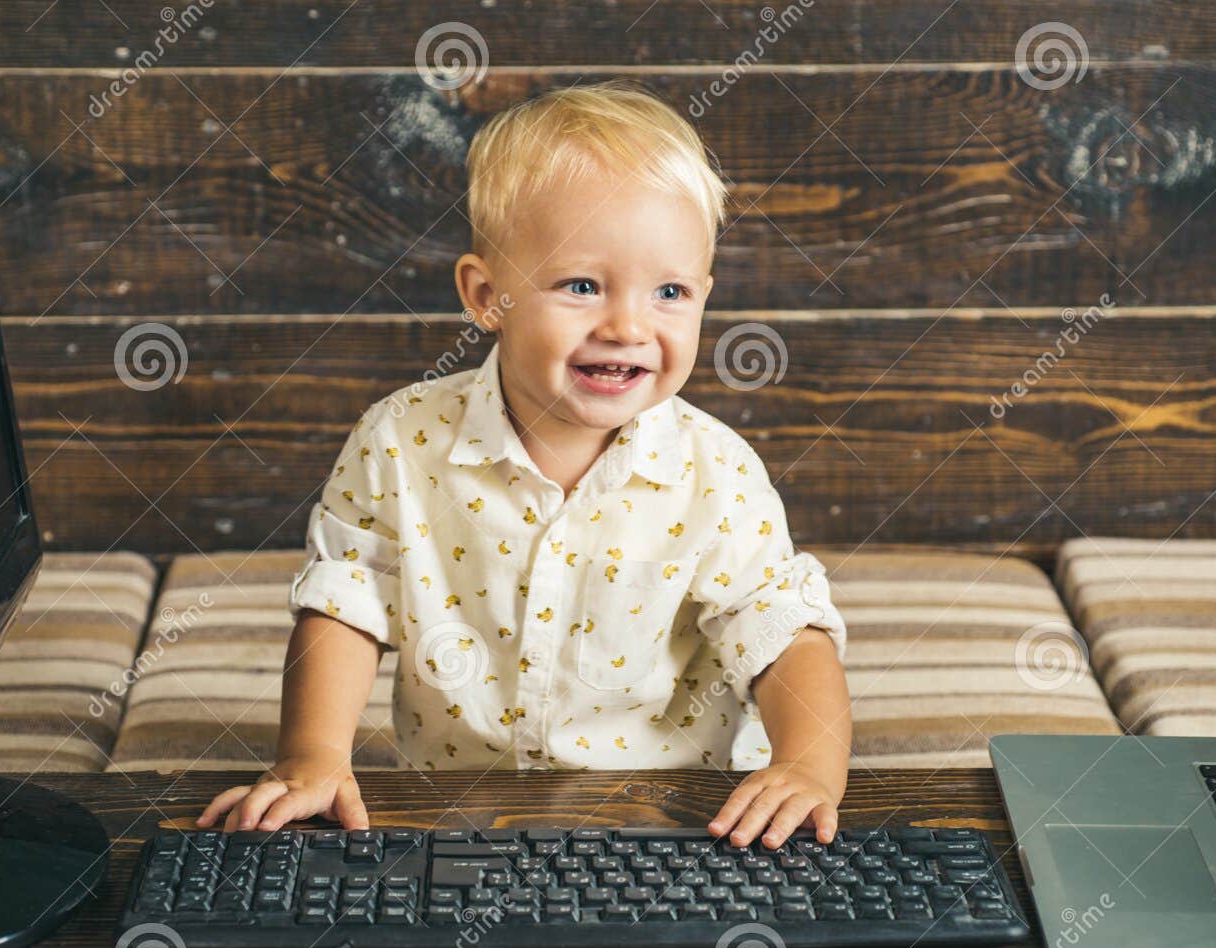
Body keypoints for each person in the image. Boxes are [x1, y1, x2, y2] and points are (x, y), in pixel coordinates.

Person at [198, 80, 851, 849]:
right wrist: (311, 758)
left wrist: (808, 765)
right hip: (453, 815)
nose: (628, 326)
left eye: (670, 291)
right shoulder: (400, 442)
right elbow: (345, 606)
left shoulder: (718, 473)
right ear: (487, 296)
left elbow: (785, 634)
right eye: (583, 286)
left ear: (705, 295)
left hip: (673, 822)